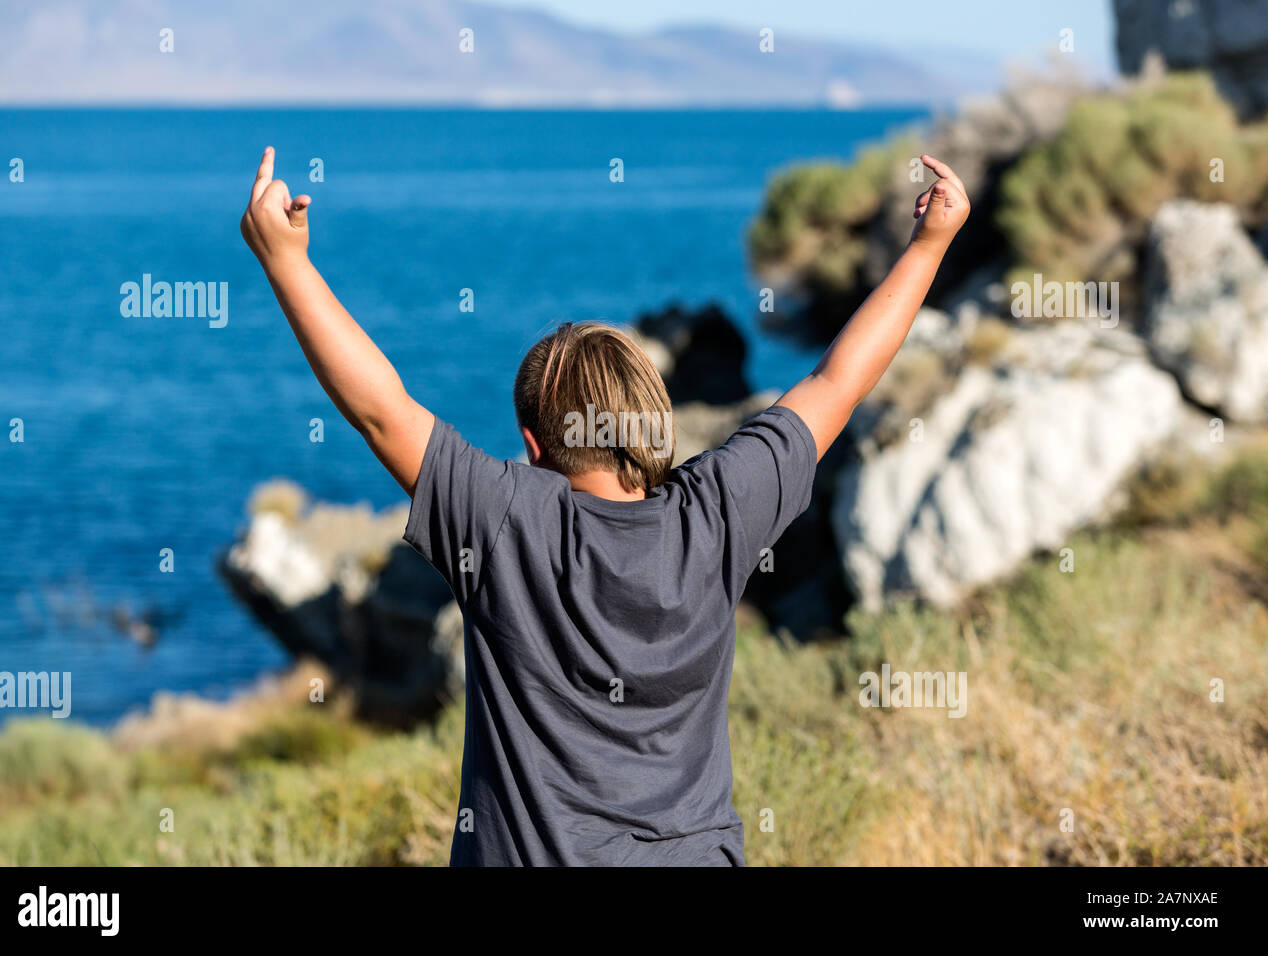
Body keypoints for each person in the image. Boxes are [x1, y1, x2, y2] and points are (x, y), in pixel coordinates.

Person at [241, 146, 969, 865]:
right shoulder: (718, 513)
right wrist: (927, 248)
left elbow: (382, 412)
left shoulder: (504, 524)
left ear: (532, 443)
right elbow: (837, 382)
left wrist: (287, 262)